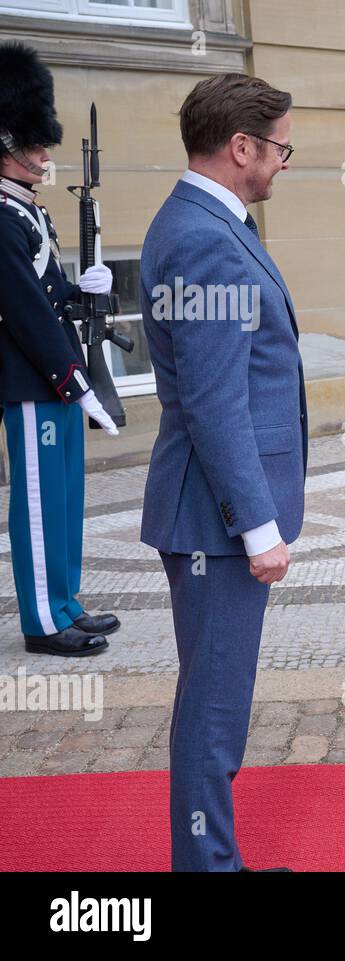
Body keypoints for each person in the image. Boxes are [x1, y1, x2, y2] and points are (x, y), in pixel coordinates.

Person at [139, 73, 305, 871]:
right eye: (278, 148)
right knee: (212, 712)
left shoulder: (202, 221)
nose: (282, 163)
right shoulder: (205, 235)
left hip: (212, 511)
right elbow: (213, 403)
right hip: (217, 518)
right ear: (240, 147)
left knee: (214, 706)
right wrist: (260, 525)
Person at [0, 41, 121, 657]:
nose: (44, 152)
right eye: (34, 141)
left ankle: (65, 601)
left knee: (66, 496)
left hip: (52, 378)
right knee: (41, 504)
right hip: (31, 381)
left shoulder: (26, 212)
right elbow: (22, 312)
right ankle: (43, 620)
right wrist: (76, 382)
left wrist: (83, 291)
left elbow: (48, 296)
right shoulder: (0, 217)